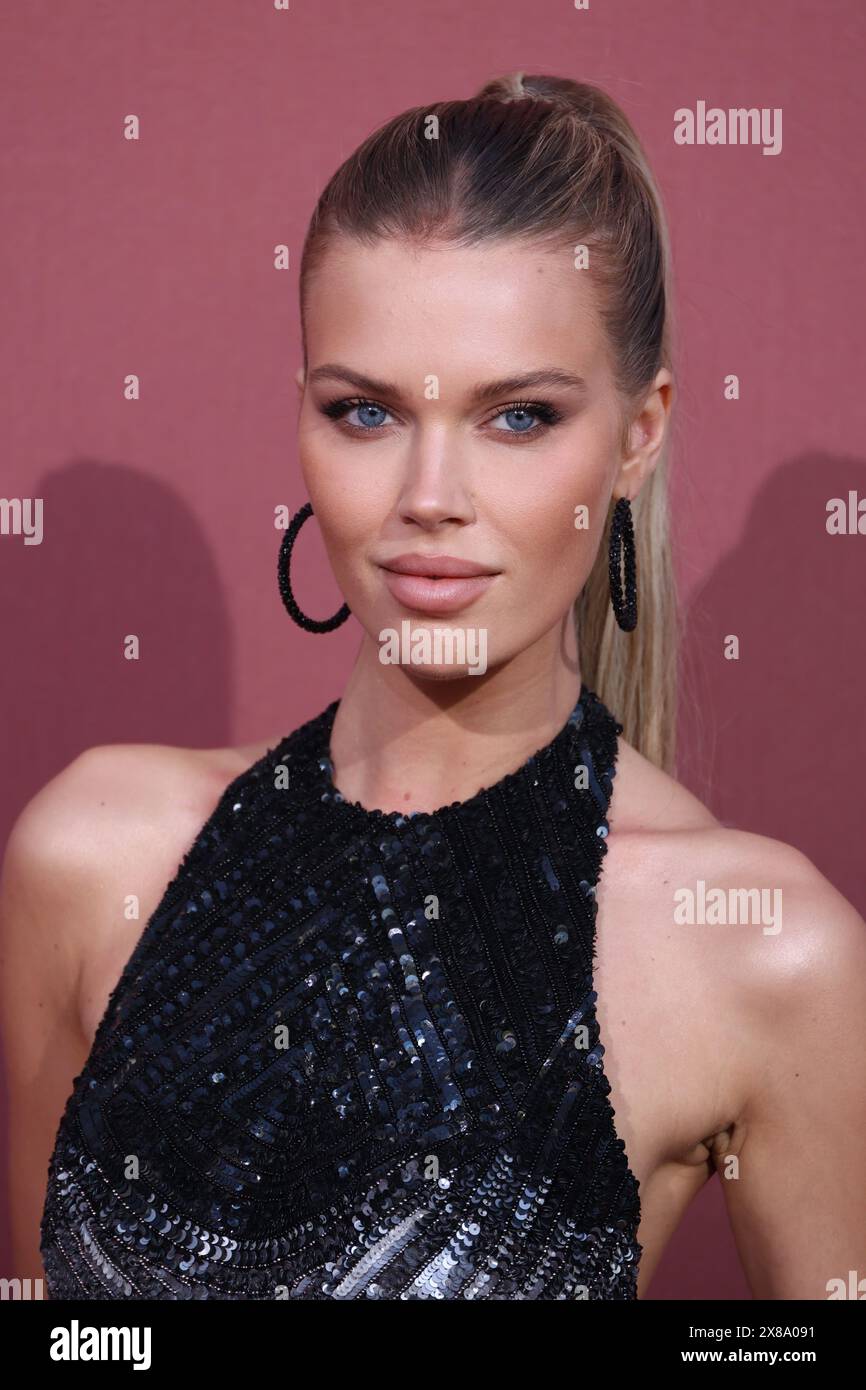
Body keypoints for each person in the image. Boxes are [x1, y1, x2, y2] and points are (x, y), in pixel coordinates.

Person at [2, 71, 864, 1301]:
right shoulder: (91, 856)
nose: (426, 497)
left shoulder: (766, 956)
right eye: (363, 412)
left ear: (637, 433)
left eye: (516, 418)